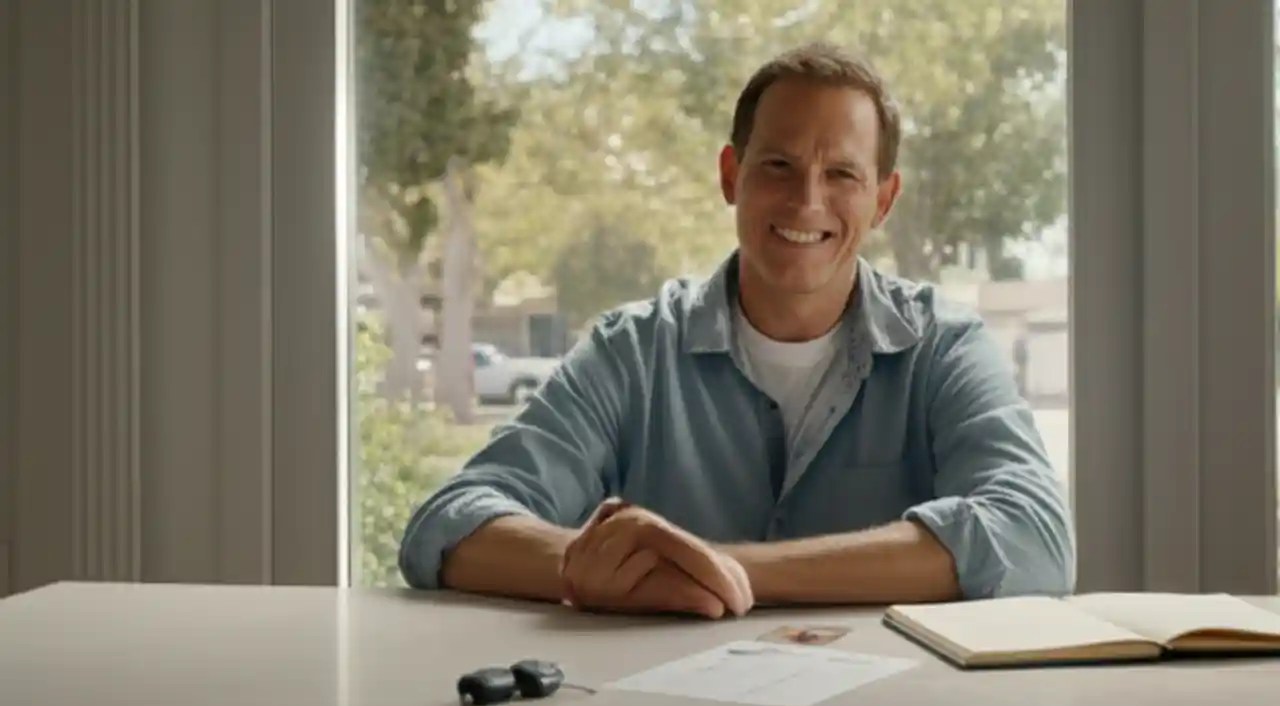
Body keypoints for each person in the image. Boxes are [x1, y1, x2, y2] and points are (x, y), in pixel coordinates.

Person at [398, 42, 1075, 619]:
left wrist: (726, 571)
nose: (806, 200)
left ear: (883, 199)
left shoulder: (946, 347)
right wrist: (587, 565)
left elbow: (1034, 539)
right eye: (778, 165)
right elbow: (450, 523)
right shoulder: (632, 352)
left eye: (841, 173)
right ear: (732, 176)